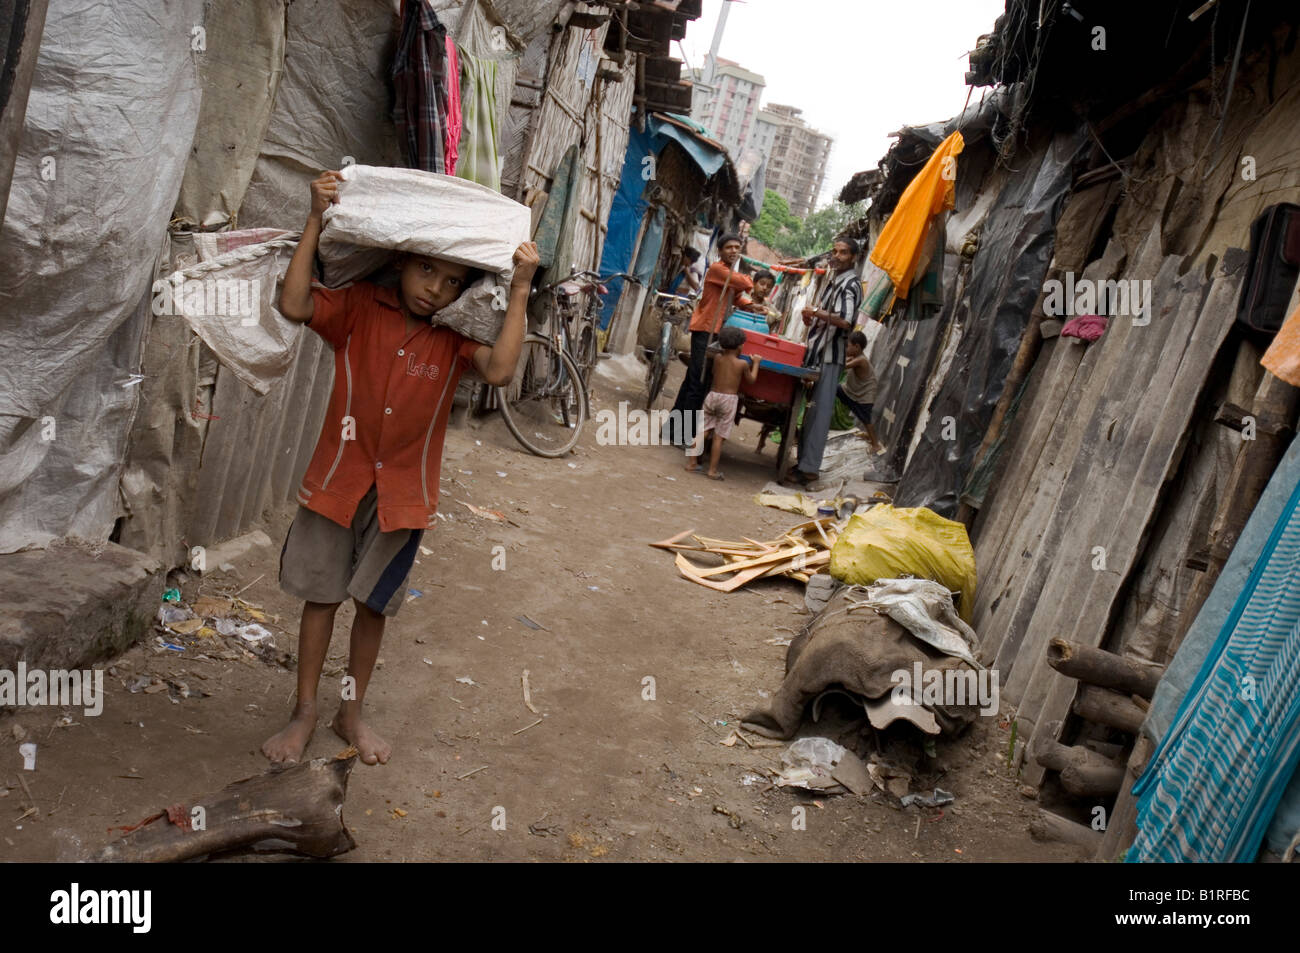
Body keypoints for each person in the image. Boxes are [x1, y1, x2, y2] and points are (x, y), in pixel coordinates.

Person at [263, 170, 540, 765]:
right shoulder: (362, 306)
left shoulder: (453, 337)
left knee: (372, 607)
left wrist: (519, 291)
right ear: (400, 262)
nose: (435, 290)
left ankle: (350, 712)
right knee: (321, 599)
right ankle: (304, 711)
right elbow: (293, 303)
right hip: (337, 481)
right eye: (426, 270)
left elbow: (499, 372)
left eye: (451, 281)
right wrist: (315, 217)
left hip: (403, 497)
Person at [787, 237, 862, 486]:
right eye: (835, 251)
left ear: (853, 258)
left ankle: (809, 469)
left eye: (843, 253)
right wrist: (815, 319)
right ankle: (804, 463)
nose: (837, 256)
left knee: (819, 414)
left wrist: (817, 313)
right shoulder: (835, 281)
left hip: (830, 357)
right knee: (812, 412)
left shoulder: (849, 284)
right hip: (820, 353)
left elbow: (846, 320)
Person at [665, 234, 753, 446]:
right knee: (699, 382)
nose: (733, 251)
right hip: (706, 329)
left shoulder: (727, 274)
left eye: (737, 247)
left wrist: (750, 305)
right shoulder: (718, 269)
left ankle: (671, 431)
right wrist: (752, 282)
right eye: (729, 247)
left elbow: (734, 295)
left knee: (692, 380)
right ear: (721, 251)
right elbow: (744, 282)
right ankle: (682, 435)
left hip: (713, 330)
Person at [685, 325, 760, 480]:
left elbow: (713, 373)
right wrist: (757, 363)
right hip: (729, 400)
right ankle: (712, 471)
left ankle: (691, 463)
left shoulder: (718, 358)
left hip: (712, 396)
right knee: (719, 437)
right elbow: (751, 380)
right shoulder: (742, 364)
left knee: (702, 431)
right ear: (740, 345)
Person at [838, 331, 884, 453]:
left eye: (848, 346)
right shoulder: (856, 357)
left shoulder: (861, 360)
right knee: (836, 389)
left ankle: (875, 444)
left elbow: (843, 366)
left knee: (866, 419)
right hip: (851, 391)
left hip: (865, 395)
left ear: (857, 347)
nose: (846, 348)